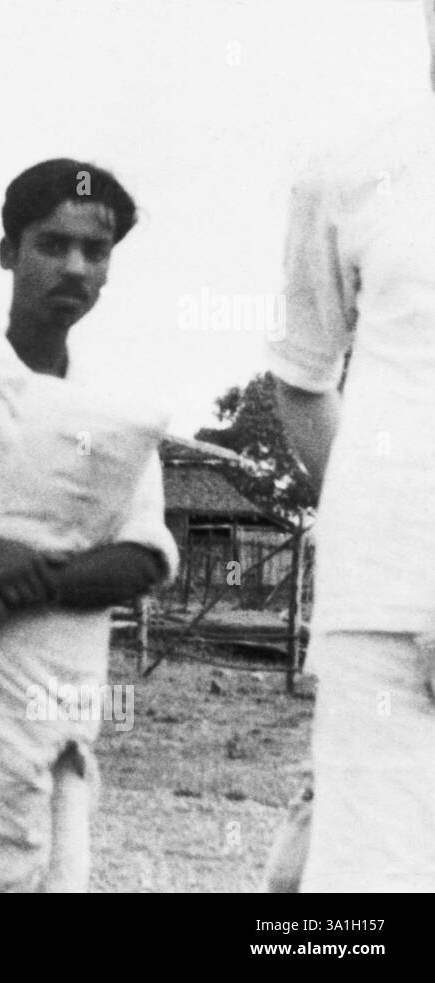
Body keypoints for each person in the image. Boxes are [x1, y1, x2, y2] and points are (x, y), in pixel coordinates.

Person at [268, 0, 435, 892]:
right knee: (367, 892)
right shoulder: (352, 171)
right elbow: (302, 379)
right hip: (381, 613)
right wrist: (383, 528)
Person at [0, 159, 177, 892]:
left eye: (95, 252)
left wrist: (20, 584)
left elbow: (143, 557)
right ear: (9, 252)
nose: (75, 266)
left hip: (61, 702)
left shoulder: (109, 408)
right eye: (52, 244)